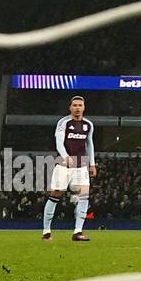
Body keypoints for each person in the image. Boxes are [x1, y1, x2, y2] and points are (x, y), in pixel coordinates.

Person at [42, 96, 96, 242]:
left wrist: (92, 164)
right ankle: (46, 231)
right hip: (63, 164)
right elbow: (59, 142)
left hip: (81, 164)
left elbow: (89, 144)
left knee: (84, 196)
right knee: (55, 195)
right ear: (70, 107)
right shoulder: (64, 122)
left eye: (80, 105)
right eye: (75, 105)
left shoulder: (88, 125)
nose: (77, 108)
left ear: (84, 107)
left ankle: (78, 231)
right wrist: (65, 156)